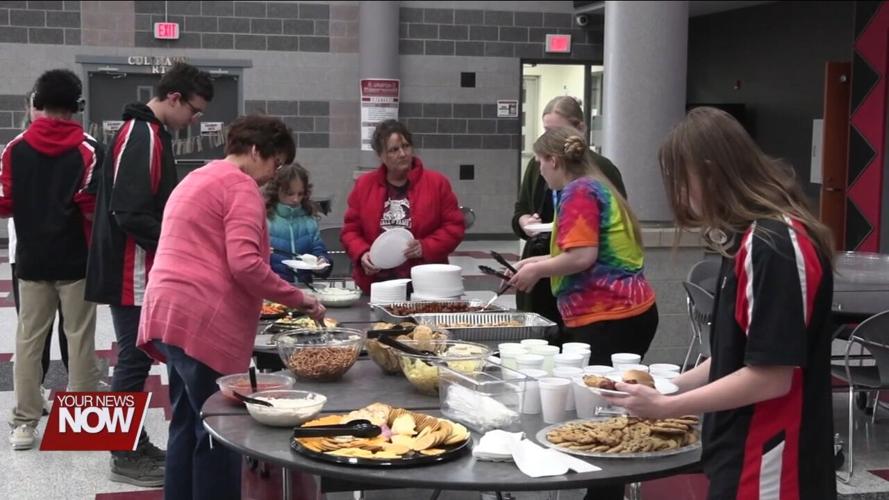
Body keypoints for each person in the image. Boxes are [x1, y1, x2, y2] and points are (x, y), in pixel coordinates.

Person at [604, 107, 836, 499]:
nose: (678, 195)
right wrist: (668, 387)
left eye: (680, 182)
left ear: (710, 172)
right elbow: (738, 352)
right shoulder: (749, 238)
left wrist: (665, 407)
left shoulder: (772, 245)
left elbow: (771, 376)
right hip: (744, 447)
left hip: (772, 455)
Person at [137, 115, 325, 500]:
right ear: (256, 151)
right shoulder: (239, 185)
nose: (274, 174)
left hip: (168, 313)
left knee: (187, 423)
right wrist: (299, 297)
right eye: (275, 163)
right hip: (202, 319)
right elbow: (245, 264)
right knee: (220, 433)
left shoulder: (198, 177)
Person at [85, 62, 214, 486]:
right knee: (132, 361)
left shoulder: (149, 133)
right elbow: (130, 213)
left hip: (136, 265)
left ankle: (129, 444)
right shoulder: (141, 135)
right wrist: (178, 244)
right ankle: (122, 453)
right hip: (131, 270)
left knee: (134, 360)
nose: (194, 120)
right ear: (174, 98)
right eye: (194, 111)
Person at [1, 69, 103, 450]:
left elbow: (4, 204)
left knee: (28, 339)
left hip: (31, 259)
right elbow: (91, 206)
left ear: (38, 104)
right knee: (79, 340)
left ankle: (24, 424)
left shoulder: (15, 148)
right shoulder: (90, 149)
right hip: (76, 260)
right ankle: (82, 424)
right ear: (77, 107)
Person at [511, 96, 626, 329]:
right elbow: (522, 208)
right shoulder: (544, 169)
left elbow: (582, 255)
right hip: (558, 266)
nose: (549, 140)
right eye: (546, 131)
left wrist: (537, 267)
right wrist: (533, 257)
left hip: (594, 295)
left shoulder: (582, 188)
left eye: (557, 132)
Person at [341, 119, 465, 293]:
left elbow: (454, 227)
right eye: (393, 150)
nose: (402, 153)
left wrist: (426, 246)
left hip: (426, 282)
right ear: (381, 155)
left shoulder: (437, 183)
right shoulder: (364, 185)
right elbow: (350, 231)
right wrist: (363, 254)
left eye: (406, 146)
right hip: (377, 284)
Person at [8, 91, 69, 406]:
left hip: (74, 259)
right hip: (29, 256)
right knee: (34, 336)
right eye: (39, 107)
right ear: (29, 109)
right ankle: (31, 403)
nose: (46, 114)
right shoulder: (14, 150)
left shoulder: (82, 147)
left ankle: (84, 400)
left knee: (76, 337)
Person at [264, 162, 331, 284]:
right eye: (290, 193)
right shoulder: (265, 220)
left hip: (304, 290)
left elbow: (318, 249)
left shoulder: (309, 220)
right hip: (273, 292)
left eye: (300, 194)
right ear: (276, 191)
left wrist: (322, 262)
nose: (295, 199)